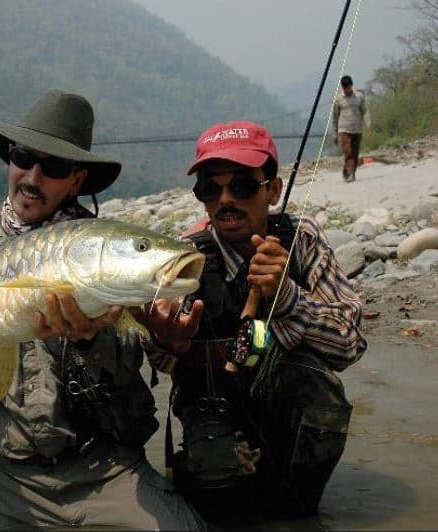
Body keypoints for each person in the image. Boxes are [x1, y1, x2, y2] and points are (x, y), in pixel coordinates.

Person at [0, 90, 205, 530]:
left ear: (76, 180)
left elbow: (133, 370)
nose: (33, 176)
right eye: (23, 157)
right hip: (1, 476)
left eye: (53, 167)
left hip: (101, 470)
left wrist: (90, 340)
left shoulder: (103, 259)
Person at [132, 121, 366, 523]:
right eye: (211, 188)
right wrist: (169, 343)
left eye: (241, 186)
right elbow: (160, 362)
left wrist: (289, 298)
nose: (226, 200)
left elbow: (349, 344)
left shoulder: (303, 240)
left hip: (289, 402)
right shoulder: (185, 256)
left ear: (272, 191)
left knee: (294, 508)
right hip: (211, 406)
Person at [333, 75, 370, 182]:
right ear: (342, 87)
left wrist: (368, 124)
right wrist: (335, 134)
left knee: (355, 152)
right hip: (344, 130)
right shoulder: (338, 99)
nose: (347, 90)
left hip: (357, 129)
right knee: (348, 151)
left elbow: (365, 111)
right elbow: (335, 117)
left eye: (348, 87)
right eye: (345, 88)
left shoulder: (359, 97)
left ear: (351, 86)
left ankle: (350, 172)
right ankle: (350, 174)